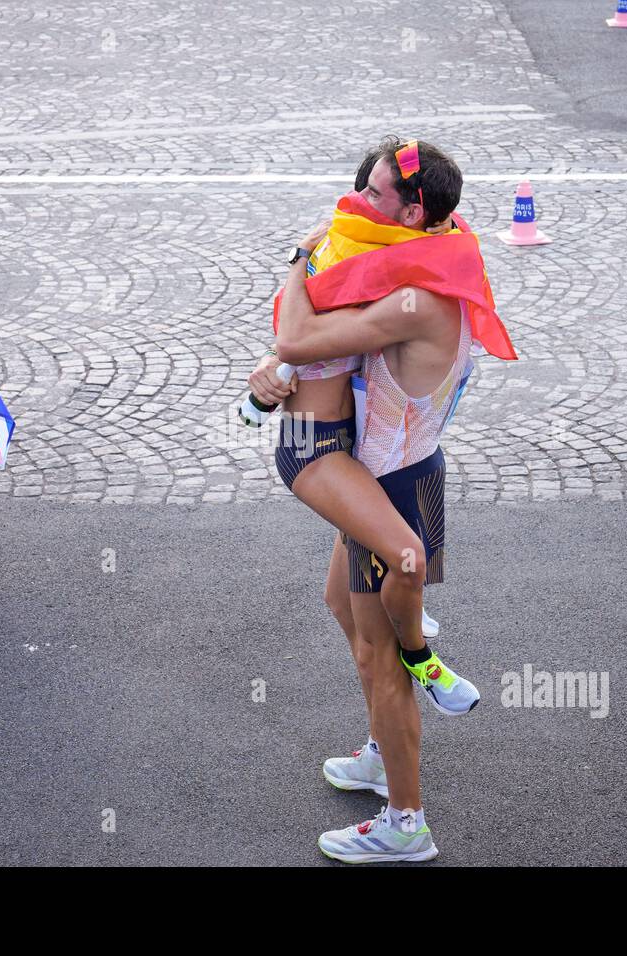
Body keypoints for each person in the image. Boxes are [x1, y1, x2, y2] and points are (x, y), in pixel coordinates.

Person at [262, 137, 511, 862]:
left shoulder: (416, 297)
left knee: (382, 658)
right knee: (342, 608)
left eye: (376, 195)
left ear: (419, 212)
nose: (357, 202)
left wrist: (301, 253)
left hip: (388, 486)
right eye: (363, 188)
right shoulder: (439, 252)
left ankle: (408, 824)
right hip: (402, 473)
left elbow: (299, 336)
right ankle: (383, 749)